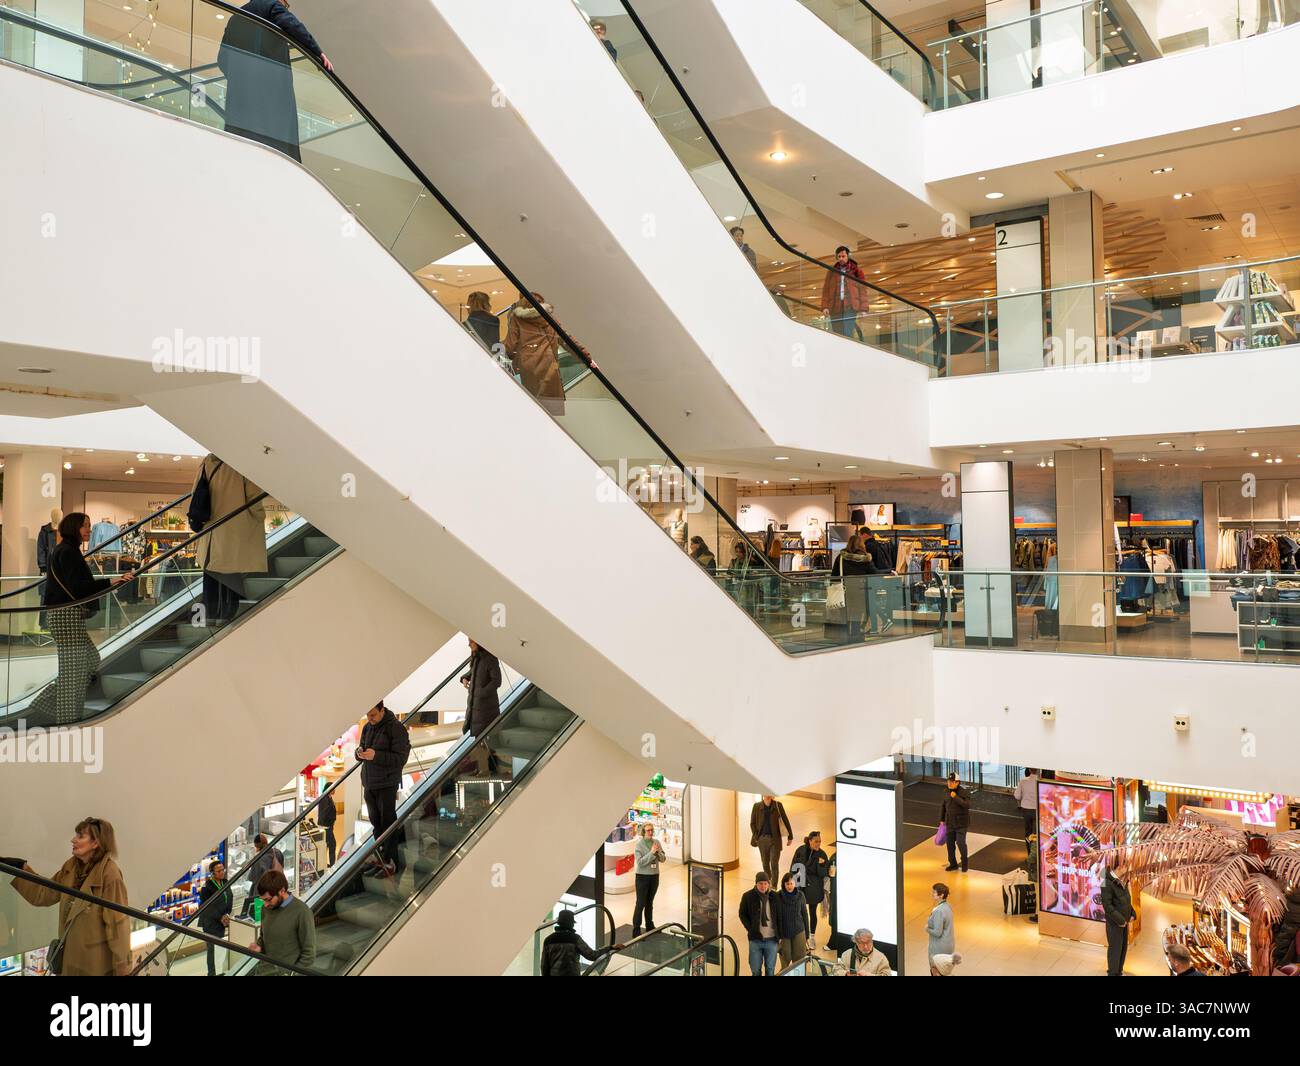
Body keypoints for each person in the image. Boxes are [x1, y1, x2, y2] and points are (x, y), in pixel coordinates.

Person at [34, 512, 136, 725]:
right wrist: (112, 581)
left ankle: (53, 707)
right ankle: (64, 717)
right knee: (74, 671)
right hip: (65, 616)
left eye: (89, 525)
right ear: (74, 528)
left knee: (89, 660)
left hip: (63, 615)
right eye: (85, 526)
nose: (89, 530)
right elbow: (79, 588)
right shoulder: (68, 552)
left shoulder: (66, 550)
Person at [3, 817, 131, 976]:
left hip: (95, 965)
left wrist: (123, 966)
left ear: (96, 843)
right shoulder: (71, 867)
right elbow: (43, 894)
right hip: (70, 960)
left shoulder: (110, 875)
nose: (73, 840)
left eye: (80, 836)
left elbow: (118, 925)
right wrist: (21, 869)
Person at [217, 0, 332, 163]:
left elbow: (222, 59)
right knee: (278, 155)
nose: (284, 5)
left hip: (240, 109)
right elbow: (293, 26)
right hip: (270, 108)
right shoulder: (270, 6)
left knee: (242, 156)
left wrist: (243, 78)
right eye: (285, 3)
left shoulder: (235, 18)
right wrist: (317, 53)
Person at [192, 454, 267, 625]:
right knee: (231, 572)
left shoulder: (205, 463)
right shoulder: (239, 464)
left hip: (209, 530)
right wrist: (260, 516)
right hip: (232, 529)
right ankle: (226, 616)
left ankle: (210, 615)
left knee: (211, 572)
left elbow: (195, 493)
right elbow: (254, 497)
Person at [358, 700, 411, 873]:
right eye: (368, 715)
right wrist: (359, 753)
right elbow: (363, 750)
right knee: (376, 823)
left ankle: (391, 861)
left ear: (382, 710)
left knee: (387, 822)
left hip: (387, 783)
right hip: (369, 782)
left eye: (373, 715)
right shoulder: (367, 727)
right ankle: (381, 858)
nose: (370, 718)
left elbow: (400, 759)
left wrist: (376, 756)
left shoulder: (396, 729)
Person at [504, 293, 565, 416]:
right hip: (550, 366)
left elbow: (509, 349)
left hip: (528, 368)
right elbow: (565, 339)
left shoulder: (517, 319)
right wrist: (587, 358)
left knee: (533, 410)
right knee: (552, 414)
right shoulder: (550, 318)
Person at [251, 868, 316, 973]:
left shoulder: (302, 912)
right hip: (264, 971)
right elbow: (264, 937)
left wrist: (293, 974)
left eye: (268, 899)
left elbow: (309, 954)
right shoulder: (266, 908)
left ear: (282, 891)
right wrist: (258, 946)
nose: (265, 904)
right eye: (263, 900)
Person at [540, 909, 619, 975]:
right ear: (571, 924)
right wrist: (610, 947)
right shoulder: (575, 939)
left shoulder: (548, 940)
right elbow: (592, 955)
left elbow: (544, 966)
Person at [790, 830, 830, 950]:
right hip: (800, 885)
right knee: (800, 912)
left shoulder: (822, 854)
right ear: (810, 840)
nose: (818, 844)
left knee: (812, 912)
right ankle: (802, 936)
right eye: (816, 841)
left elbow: (823, 873)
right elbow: (793, 867)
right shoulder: (800, 850)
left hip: (814, 888)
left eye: (820, 841)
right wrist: (791, 881)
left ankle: (811, 937)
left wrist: (820, 865)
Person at [820, 245, 867, 338]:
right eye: (839, 257)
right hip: (835, 307)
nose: (841, 258)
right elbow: (826, 290)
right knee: (837, 334)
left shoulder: (857, 271)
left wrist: (863, 309)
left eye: (843, 256)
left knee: (847, 333)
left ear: (848, 256)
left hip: (850, 307)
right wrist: (825, 306)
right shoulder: (831, 272)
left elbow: (863, 290)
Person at [738, 871, 780, 975]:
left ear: (769, 884)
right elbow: (742, 914)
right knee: (755, 970)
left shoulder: (775, 896)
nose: (763, 886)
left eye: (765, 883)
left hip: (772, 940)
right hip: (755, 940)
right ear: (756, 884)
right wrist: (750, 928)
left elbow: (780, 915)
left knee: (770, 970)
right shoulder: (748, 896)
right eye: (760, 883)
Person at [459, 639, 503, 738]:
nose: (469, 644)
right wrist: (464, 678)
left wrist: (482, 693)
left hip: (486, 708)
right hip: (476, 707)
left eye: (471, 641)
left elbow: (497, 681)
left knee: (486, 737)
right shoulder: (477, 657)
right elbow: (473, 672)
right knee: (479, 738)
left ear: (479, 642)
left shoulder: (490, 658)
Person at [198, 859, 233, 976]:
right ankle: (212, 973)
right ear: (212, 873)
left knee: (220, 948)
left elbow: (229, 898)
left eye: (223, 869)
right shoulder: (206, 887)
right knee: (212, 949)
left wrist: (227, 914)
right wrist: (220, 917)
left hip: (222, 920)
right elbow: (207, 907)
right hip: (210, 922)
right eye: (219, 871)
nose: (222, 872)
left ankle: (220, 971)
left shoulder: (225, 882)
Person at [631, 823, 667, 937]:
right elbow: (640, 863)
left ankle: (649, 926)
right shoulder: (639, 845)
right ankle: (636, 929)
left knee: (649, 902)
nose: (650, 832)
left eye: (652, 830)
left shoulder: (656, 842)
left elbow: (663, 859)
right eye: (648, 830)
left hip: (654, 876)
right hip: (642, 877)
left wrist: (658, 853)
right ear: (643, 832)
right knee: (640, 903)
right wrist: (651, 853)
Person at [749, 794, 793, 886]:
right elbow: (752, 823)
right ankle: (768, 881)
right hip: (762, 839)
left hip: (775, 840)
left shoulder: (778, 805)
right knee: (765, 864)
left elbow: (785, 820)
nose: (767, 795)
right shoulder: (757, 806)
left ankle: (774, 886)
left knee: (774, 863)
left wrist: (790, 836)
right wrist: (757, 837)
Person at [1100, 866, 1136, 977]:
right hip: (1115, 923)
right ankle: (1113, 973)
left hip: (1124, 922)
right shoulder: (1106, 883)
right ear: (1119, 867)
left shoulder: (1123, 880)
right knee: (1115, 950)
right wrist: (1120, 920)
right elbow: (1107, 906)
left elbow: (1127, 900)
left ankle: (1119, 972)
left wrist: (1132, 914)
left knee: (1123, 948)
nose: (1128, 868)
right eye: (1126, 866)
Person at [239, 833, 283, 916]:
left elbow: (252, 877)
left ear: (257, 846)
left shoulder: (259, 859)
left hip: (261, 890)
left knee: (260, 914)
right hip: (276, 887)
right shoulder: (277, 852)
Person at [775, 872, 810, 967]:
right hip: (784, 933)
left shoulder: (801, 895)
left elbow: (805, 915)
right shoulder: (778, 896)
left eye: (791, 883)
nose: (790, 886)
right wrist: (777, 936)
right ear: (783, 884)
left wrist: (807, 934)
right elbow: (774, 917)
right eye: (787, 884)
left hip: (799, 930)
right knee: (785, 959)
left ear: (795, 883)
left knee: (799, 961)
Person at [940, 772, 972, 873]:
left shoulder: (964, 792)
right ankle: (953, 864)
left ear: (957, 782)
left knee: (960, 842)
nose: (949, 783)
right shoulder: (946, 791)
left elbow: (967, 805)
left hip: (961, 824)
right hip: (950, 823)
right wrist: (941, 819)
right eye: (948, 781)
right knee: (949, 844)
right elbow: (943, 806)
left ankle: (965, 863)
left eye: (952, 782)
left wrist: (955, 797)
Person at [926, 882, 955, 974]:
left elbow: (937, 932)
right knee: (944, 971)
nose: (932, 894)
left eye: (934, 892)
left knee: (935, 971)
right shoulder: (948, 906)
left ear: (941, 895)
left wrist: (927, 929)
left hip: (938, 947)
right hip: (948, 944)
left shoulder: (939, 911)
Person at [1013, 768, 1040, 839]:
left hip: (1026, 808)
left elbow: (1017, 796)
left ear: (1029, 770)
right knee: (1039, 831)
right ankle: (1037, 847)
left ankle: (1029, 847)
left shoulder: (1023, 781)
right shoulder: (1041, 782)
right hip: (1039, 809)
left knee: (1028, 831)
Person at [317, 788, 337, 866]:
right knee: (332, 844)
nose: (335, 790)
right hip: (326, 827)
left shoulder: (329, 798)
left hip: (329, 826)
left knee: (328, 845)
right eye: (333, 788)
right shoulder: (324, 799)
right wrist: (322, 826)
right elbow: (323, 813)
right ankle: (330, 864)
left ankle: (325, 864)